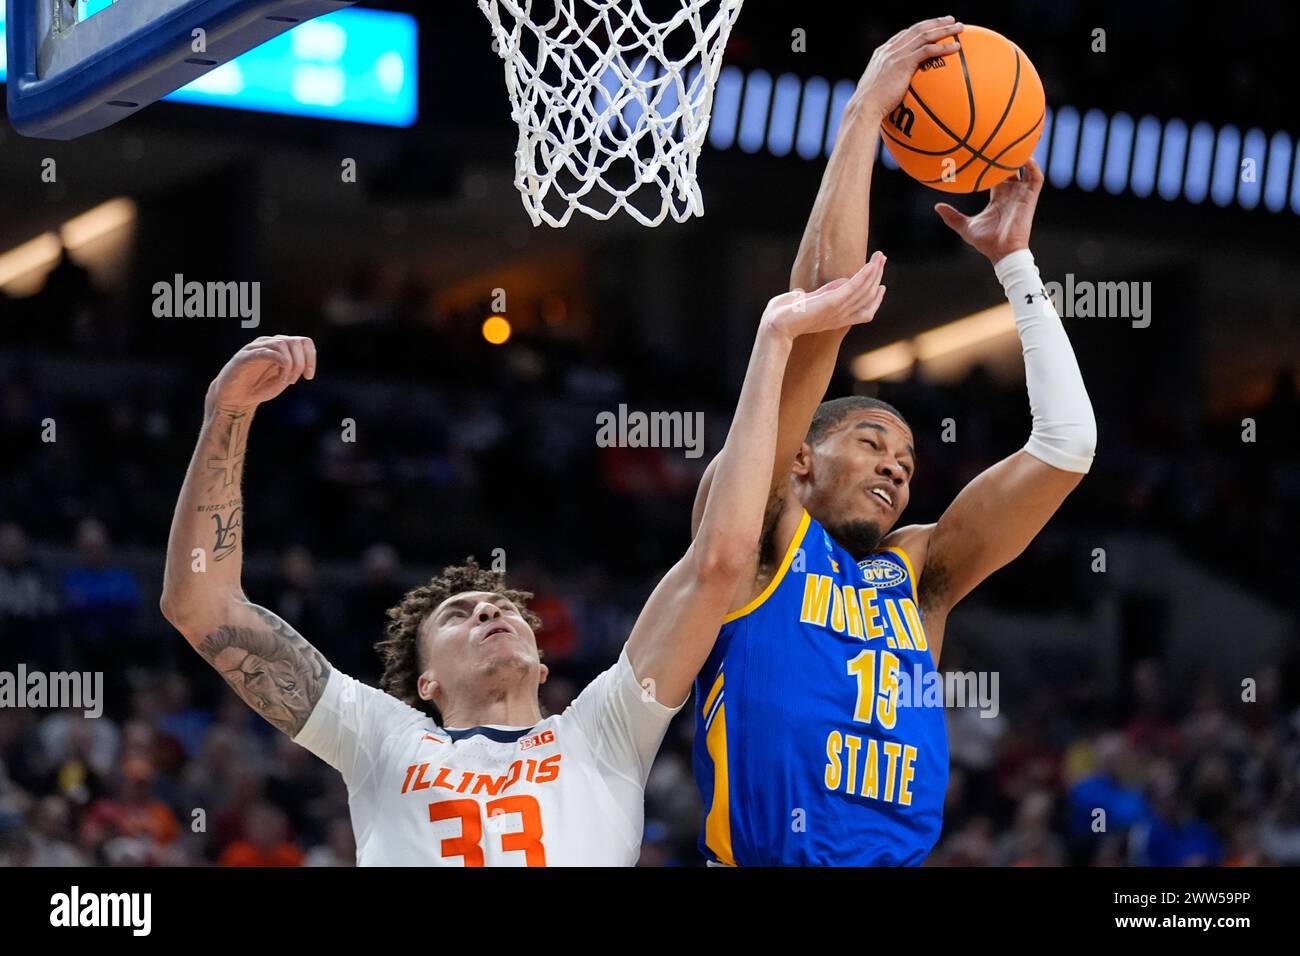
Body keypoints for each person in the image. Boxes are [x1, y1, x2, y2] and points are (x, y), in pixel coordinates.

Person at [159, 259, 889, 865]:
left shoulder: (602, 732)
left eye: (504, 607)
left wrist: (771, 341)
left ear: (544, 665)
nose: (490, 609)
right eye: (459, 614)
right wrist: (227, 416)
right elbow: (203, 608)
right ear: (426, 681)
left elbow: (720, 562)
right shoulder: (383, 736)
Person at [688, 16, 1097, 865]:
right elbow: (818, 311)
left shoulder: (917, 580)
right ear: (801, 454)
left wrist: (1015, 264)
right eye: (874, 443)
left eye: (907, 464)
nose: (896, 468)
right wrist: (863, 117)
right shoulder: (759, 533)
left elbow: (1066, 449)